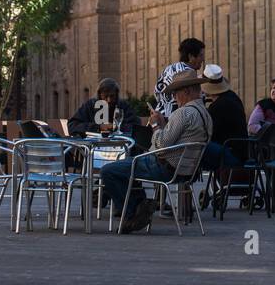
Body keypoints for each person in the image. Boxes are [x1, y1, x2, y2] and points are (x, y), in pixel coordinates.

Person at [101, 70, 212, 233]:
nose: (174, 98)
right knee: (129, 165)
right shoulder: (205, 114)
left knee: (109, 171)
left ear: (186, 91)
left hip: (163, 167)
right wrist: (163, 124)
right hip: (186, 171)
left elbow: (162, 143)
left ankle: (133, 213)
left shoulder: (183, 113)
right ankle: (140, 205)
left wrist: (155, 125)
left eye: (175, 93)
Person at [200, 64, 247, 171]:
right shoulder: (232, 96)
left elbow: (207, 133)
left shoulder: (219, 106)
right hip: (239, 152)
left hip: (231, 154)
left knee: (195, 146)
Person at [67, 78, 140, 137]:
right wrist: (98, 127)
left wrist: (115, 127)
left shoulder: (123, 106)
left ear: (116, 95)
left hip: (120, 147)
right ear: (99, 95)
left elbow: (136, 126)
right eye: (105, 96)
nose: (109, 100)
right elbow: (72, 125)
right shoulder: (89, 106)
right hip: (92, 148)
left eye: (112, 96)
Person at [154, 37, 205, 118]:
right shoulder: (186, 74)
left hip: (161, 115)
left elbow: (157, 92)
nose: (203, 59)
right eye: (201, 55)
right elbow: (193, 98)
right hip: (177, 118)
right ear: (191, 56)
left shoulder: (169, 68)